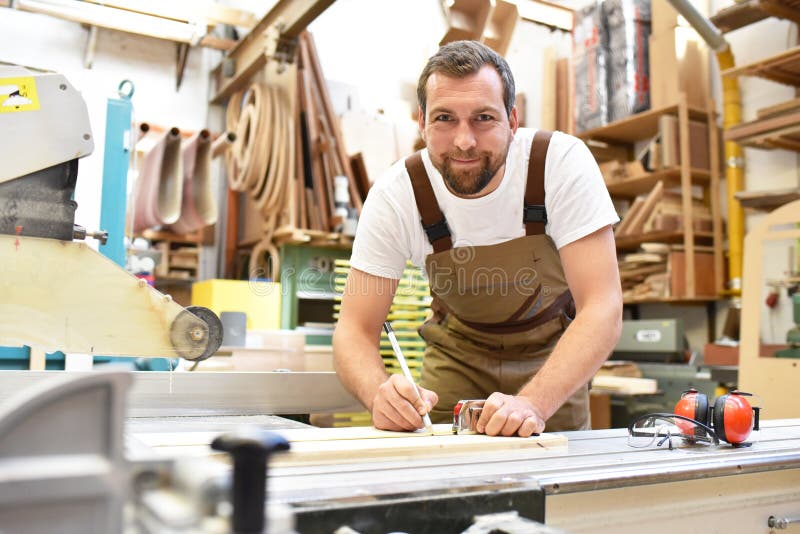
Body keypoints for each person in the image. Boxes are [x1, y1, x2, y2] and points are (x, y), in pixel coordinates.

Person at [333, 40, 622, 437]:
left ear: (513, 120)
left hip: (552, 363)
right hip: (457, 360)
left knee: (557, 489)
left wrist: (534, 403)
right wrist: (378, 393)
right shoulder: (396, 195)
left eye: (483, 118)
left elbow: (602, 306)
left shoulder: (559, 164)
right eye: (445, 119)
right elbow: (354, 329)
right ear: (422, 123)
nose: (464, 141)